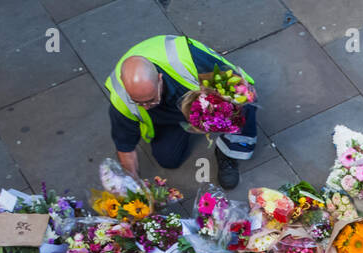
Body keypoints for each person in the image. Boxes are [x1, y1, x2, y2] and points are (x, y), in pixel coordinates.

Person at [104, 35, 257, 189]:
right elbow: (125, 146)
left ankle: (228, 153)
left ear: (160, 79)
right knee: (168, 159)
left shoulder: (188, 59)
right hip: (168, 118)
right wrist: (133, 186)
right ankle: (186, 123)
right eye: (138, 102)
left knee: (245, 107)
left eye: (151, 100)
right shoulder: (120, 98)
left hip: (202, 100)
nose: (145, 107)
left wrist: (226, 103)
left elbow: (239, 84)